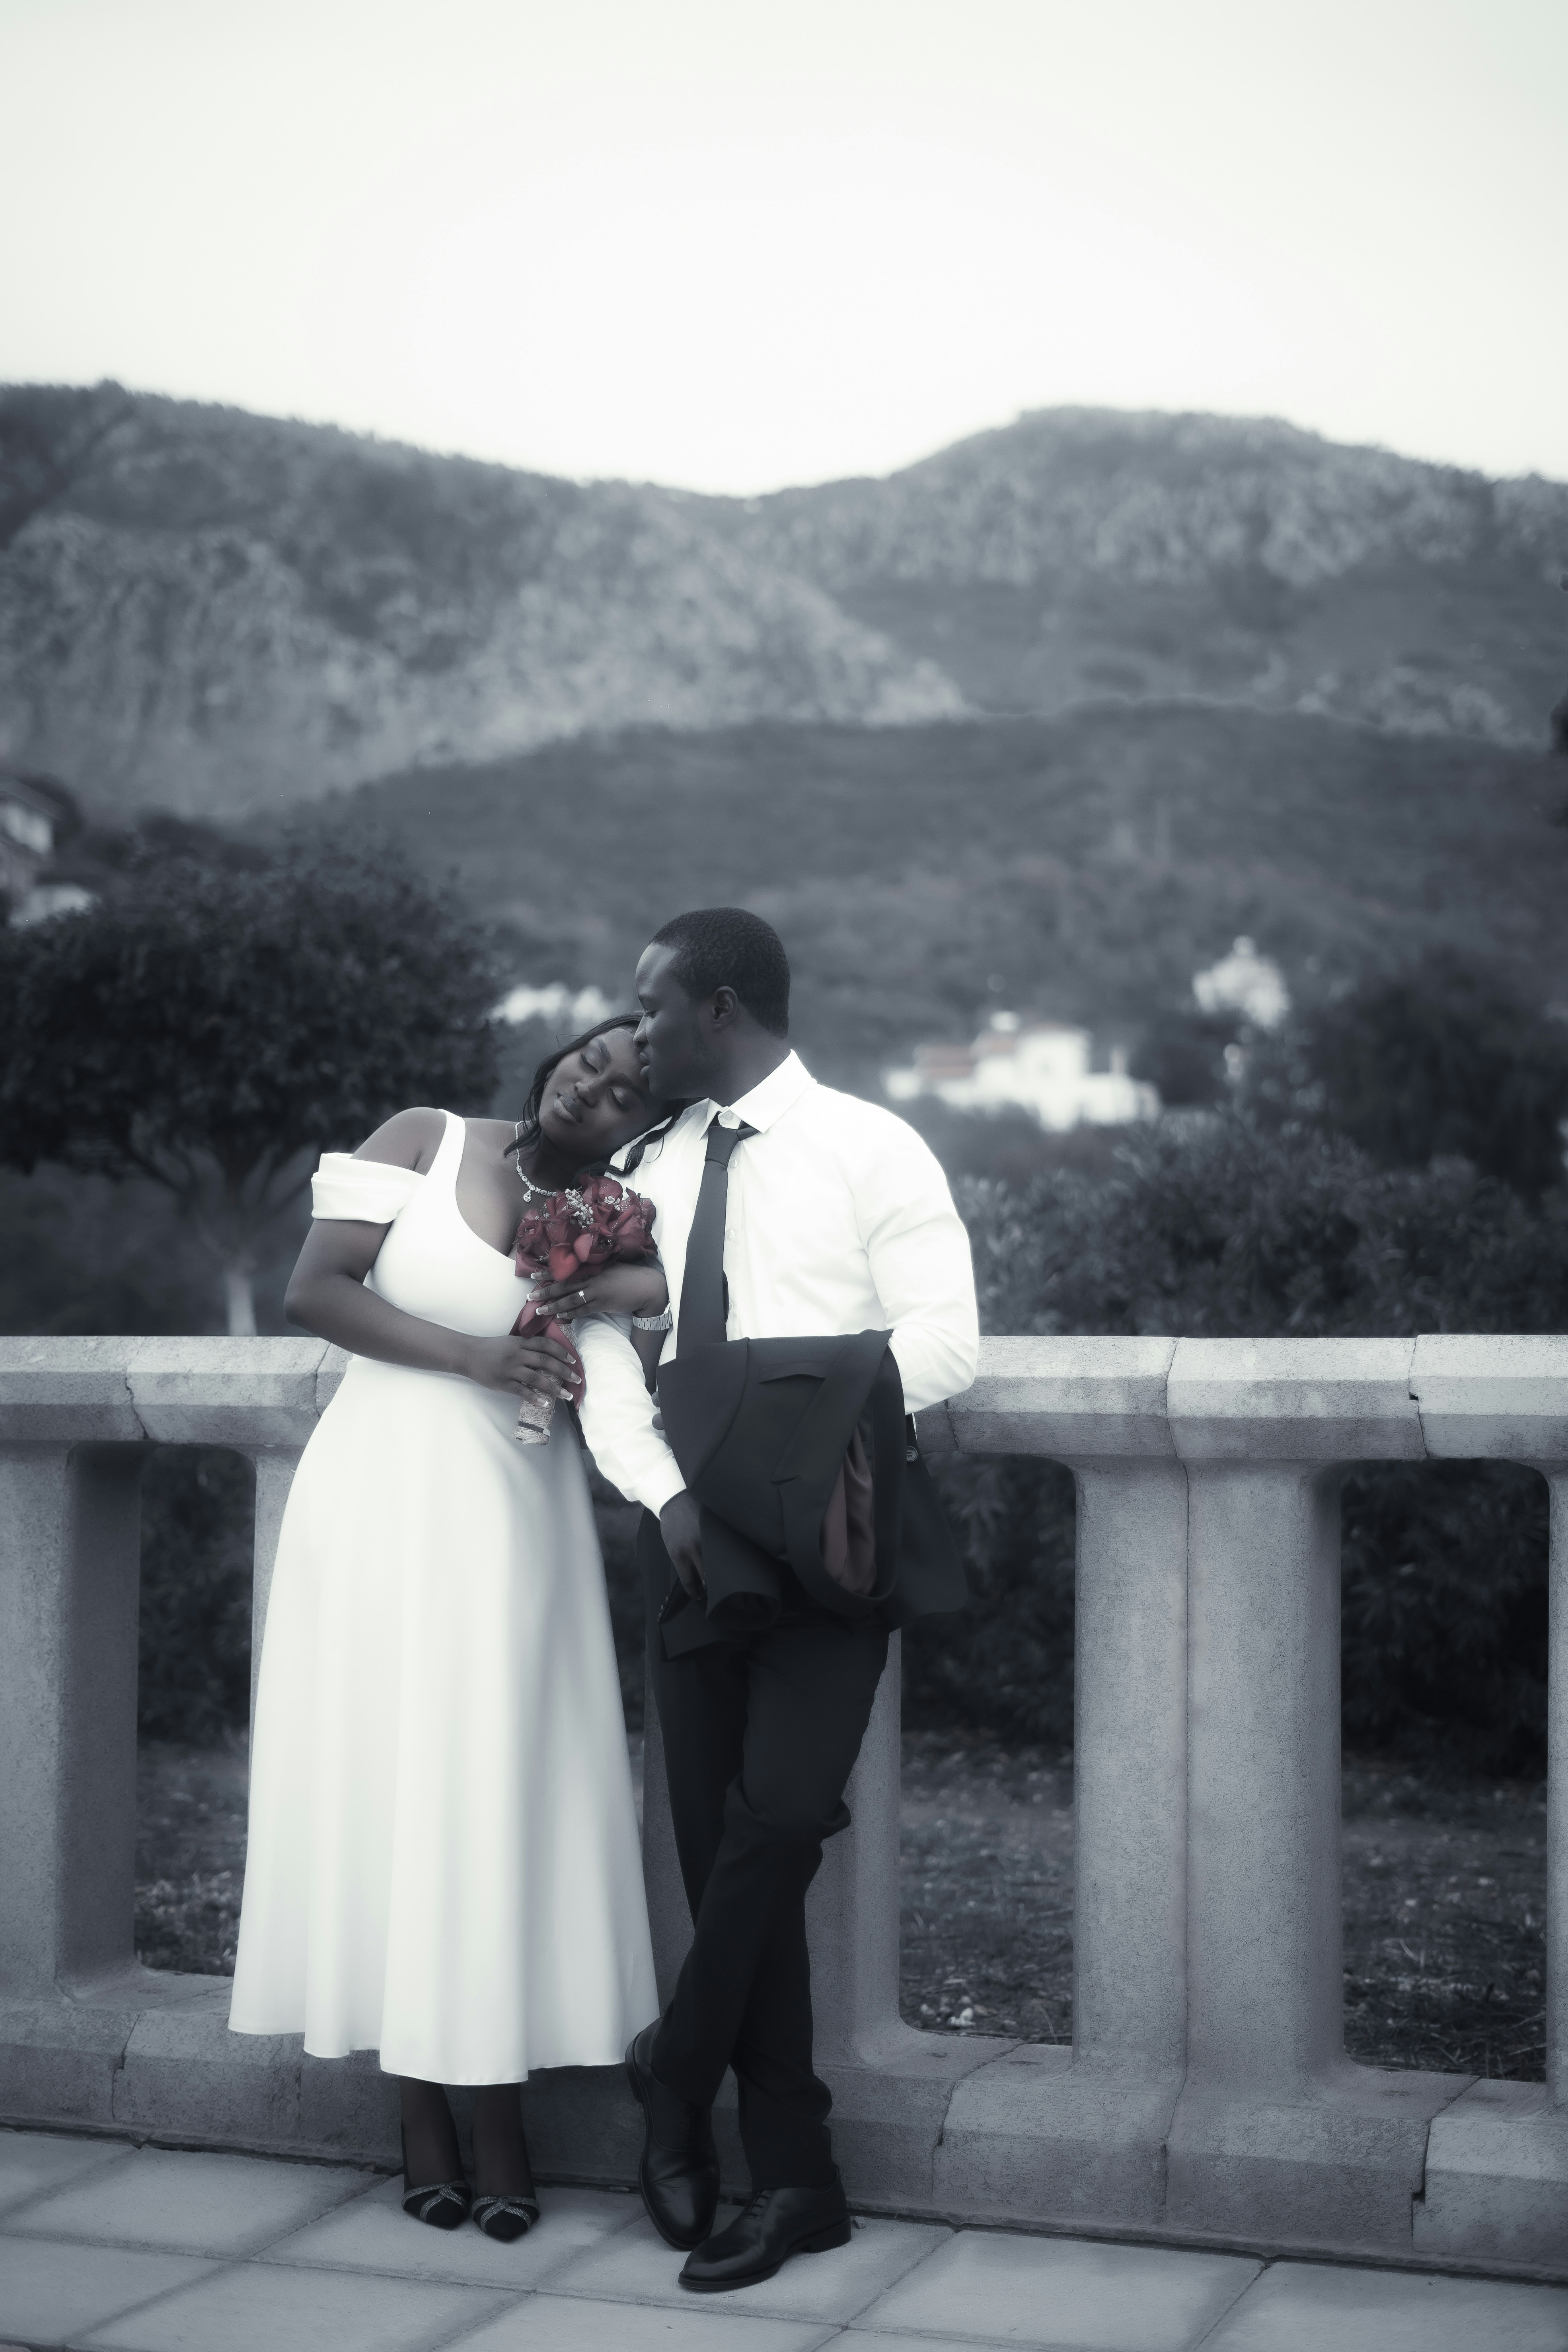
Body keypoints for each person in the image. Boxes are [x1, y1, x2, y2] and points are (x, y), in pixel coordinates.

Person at [575, 910, 979, 2293]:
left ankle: (674, 2075)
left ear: (724, 1008)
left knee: (778, 1826)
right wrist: (669, 1498)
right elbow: (603, 1347)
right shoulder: (640, 1166)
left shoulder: (874, 1147)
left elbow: (945, 1342)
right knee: (715, 1847)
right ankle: (798, 2179)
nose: (633, 1030)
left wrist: (789, 1454)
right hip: (685, 1543)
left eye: (652, 1005)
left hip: (830, 1546)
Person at [229, 1017, 671, 2241]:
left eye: (631, 1087)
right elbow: (312, 1292)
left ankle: (498, 2120)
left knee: (488, 1799)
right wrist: (477, 1357)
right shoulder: (419, 1139)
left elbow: (663, 1292)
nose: (599, 1080)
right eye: (596, 1054)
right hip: (374, 1500)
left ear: (645, 1123)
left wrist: (607, 1281)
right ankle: (424, 2121)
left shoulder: (615, 1211)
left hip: (512, 1520)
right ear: (564, 1053)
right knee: (390, 1789)